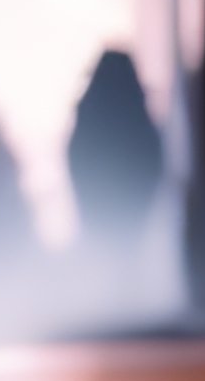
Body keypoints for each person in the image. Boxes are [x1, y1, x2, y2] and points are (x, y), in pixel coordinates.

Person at [66, 47, 164, 264]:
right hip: (131, 200)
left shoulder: (88, 111)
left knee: (103, 249)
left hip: (97, 199)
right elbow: (154, 156)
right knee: (128, 248)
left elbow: (76, 156)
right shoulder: (137, 111)